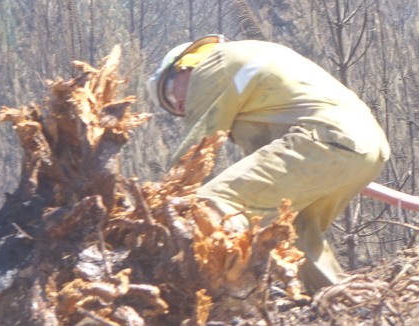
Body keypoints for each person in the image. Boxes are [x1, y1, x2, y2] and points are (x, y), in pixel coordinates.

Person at [147, 35, 390, 293]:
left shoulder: (213, 64)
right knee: (290, 231)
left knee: (211, 206)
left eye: (171, 93)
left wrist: (158, 211)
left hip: (326, 139)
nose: (181, 107)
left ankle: (226, 301)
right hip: (366, 149)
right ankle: (342, 303)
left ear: (185, 65)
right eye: (174, 108)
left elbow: (194, 157)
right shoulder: (253, 64)